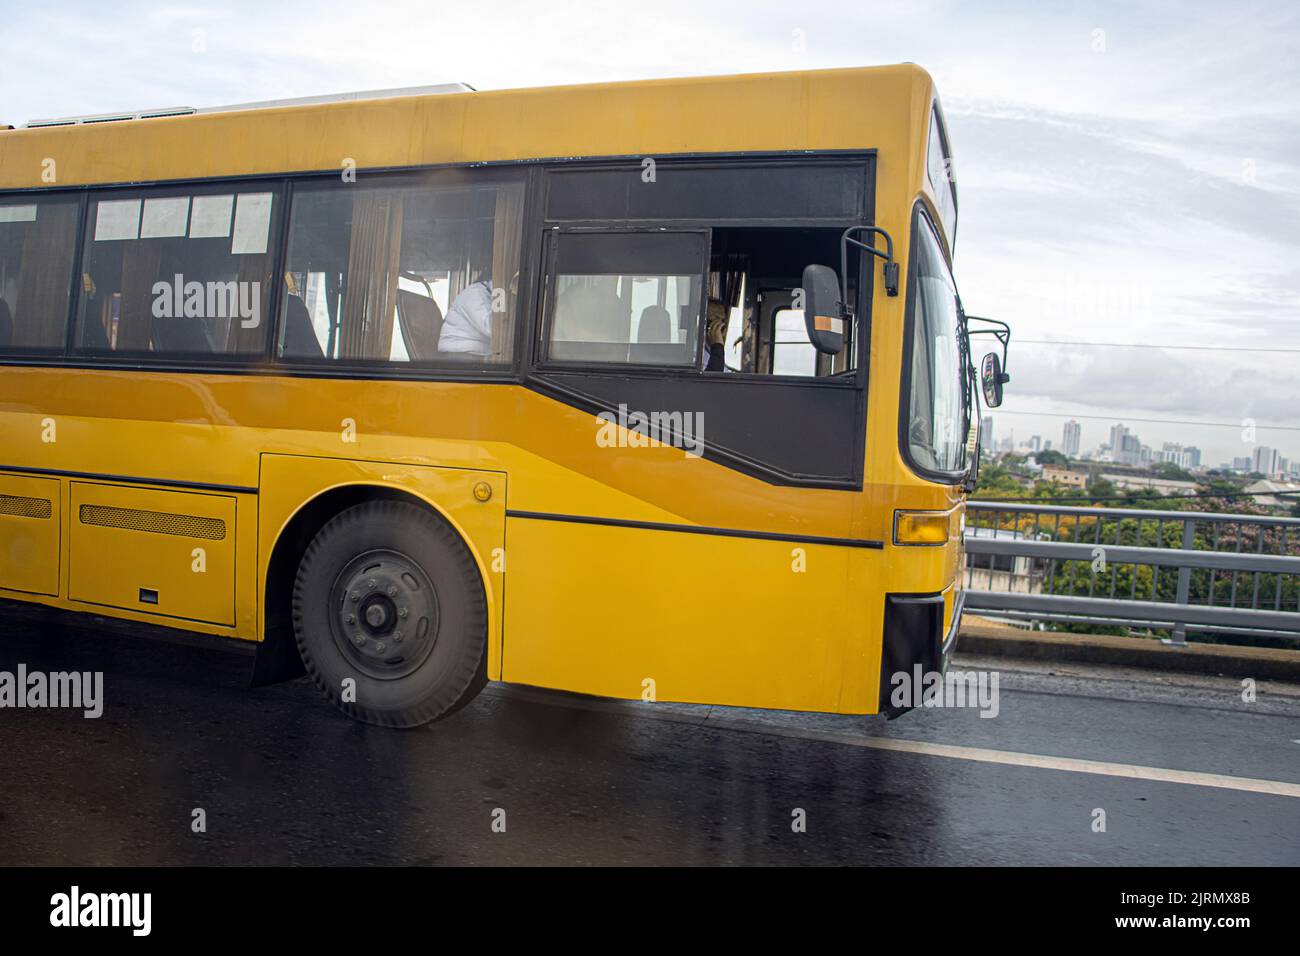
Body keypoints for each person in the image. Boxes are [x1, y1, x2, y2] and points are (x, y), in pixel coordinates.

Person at [438, 275, 494, 356]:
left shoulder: (487, 294)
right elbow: (491, 328)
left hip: (473, 353)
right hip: (457, 354)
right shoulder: (474, 293)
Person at [703, 298, 729, 372]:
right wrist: (717, 345)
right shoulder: (695, 352)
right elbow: (711, 378)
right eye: (717, 318)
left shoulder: (709, 348)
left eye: (723, 320)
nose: (721, 324)